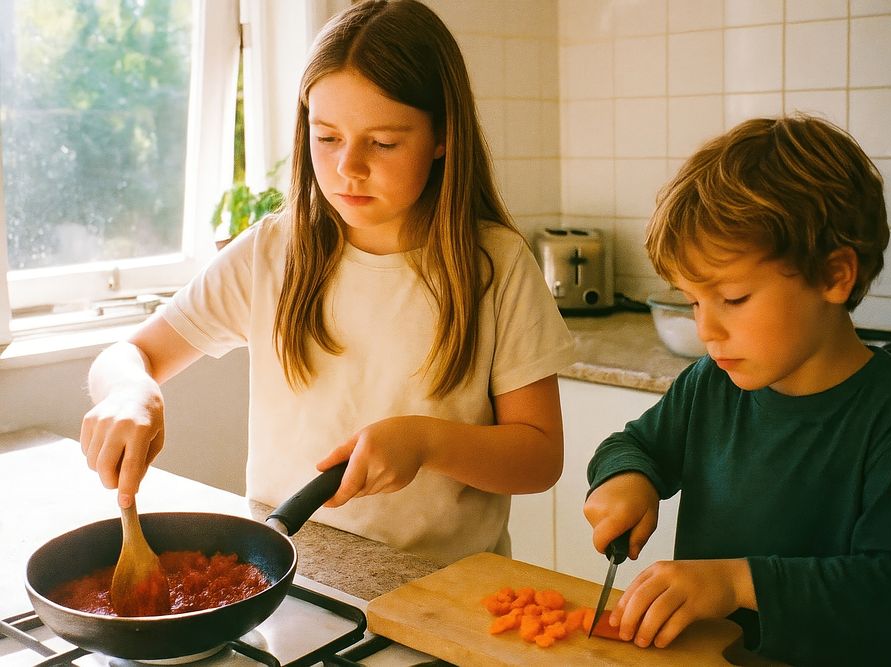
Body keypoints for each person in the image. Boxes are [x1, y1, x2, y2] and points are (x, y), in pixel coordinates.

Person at [79, 0, 576, 566]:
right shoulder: (272, 253)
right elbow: (129, 353)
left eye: (384, 142)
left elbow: (539, 458)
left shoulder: (496, 266)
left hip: (444, 586)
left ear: (442, 136)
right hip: (289, 570)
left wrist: (426, 441)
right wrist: (130, 391)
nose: (349, 168)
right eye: (327, 138)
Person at [583, 114, 891, 666]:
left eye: (732, 298)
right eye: (693, 301)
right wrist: (626, 481)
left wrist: (738, 583)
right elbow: (635, 445)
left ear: (835, 276)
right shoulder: (711, 384)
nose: (706, 328)